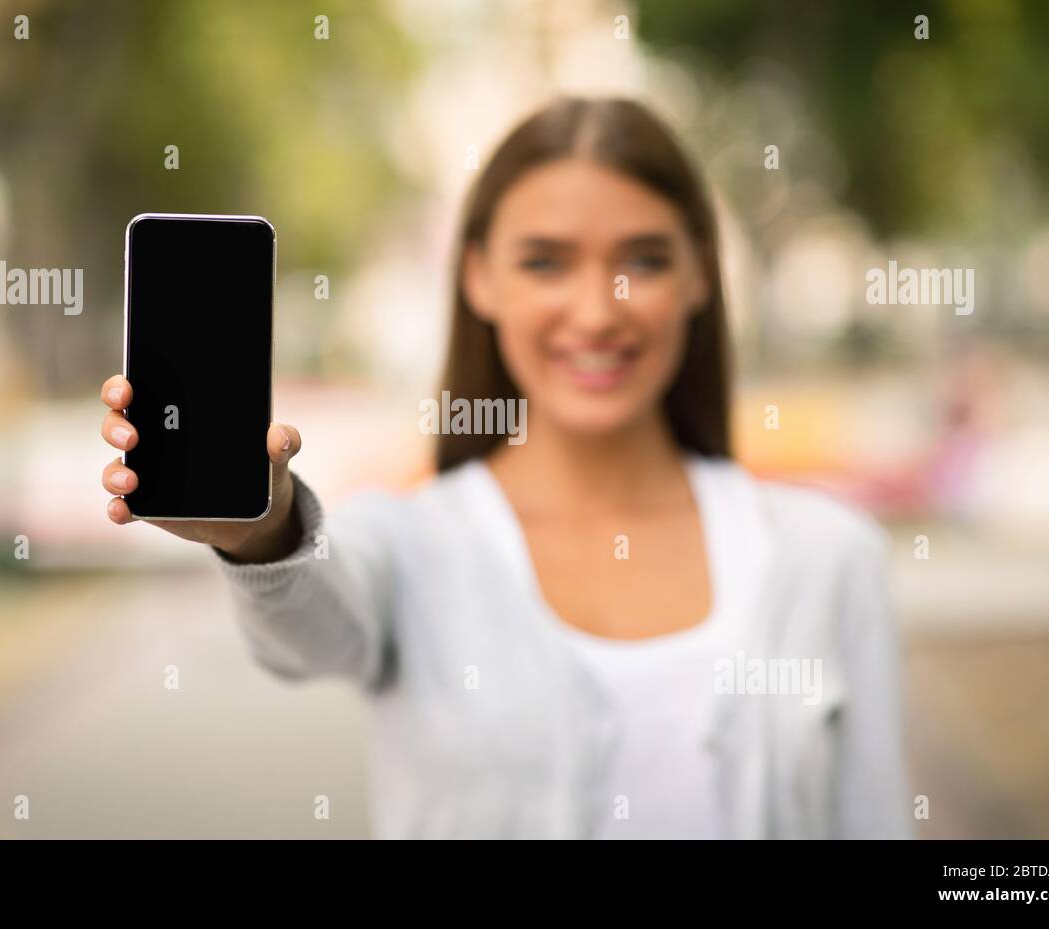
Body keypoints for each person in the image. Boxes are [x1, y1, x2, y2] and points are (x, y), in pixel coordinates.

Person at [97, 96, 910, 839]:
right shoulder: (411, 541)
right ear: (479, 277)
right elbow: (310, 633)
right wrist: (260, 532)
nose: (596, 310)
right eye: (546, 262)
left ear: (701, 273)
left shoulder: (828, 557)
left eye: (645, 261)